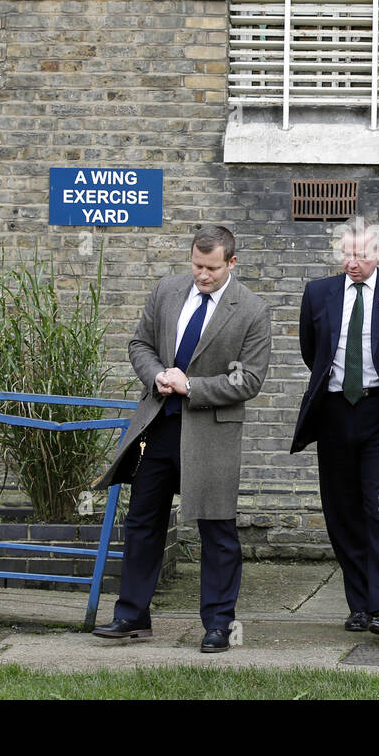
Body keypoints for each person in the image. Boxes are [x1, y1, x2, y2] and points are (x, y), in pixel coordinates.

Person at [91, 225, 271, 652]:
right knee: (142, 524)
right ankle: (131, 616)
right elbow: (140, 344)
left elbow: (249, 379)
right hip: (157, 428)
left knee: (216, 529)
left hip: (211, 433)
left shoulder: (251, 309)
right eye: (196, 265)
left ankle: (217, 624)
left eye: (211, 268)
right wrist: (156, 375)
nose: (202, 275)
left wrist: (192, 386)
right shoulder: (167, 291)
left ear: (231, 263)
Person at [291, 218, 379, 640]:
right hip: (335, 415)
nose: (353, 262)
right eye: (347, 254)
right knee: (342, 513)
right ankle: (360, 605)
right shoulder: (319, 292)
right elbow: (309, 350)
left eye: (362, 254)